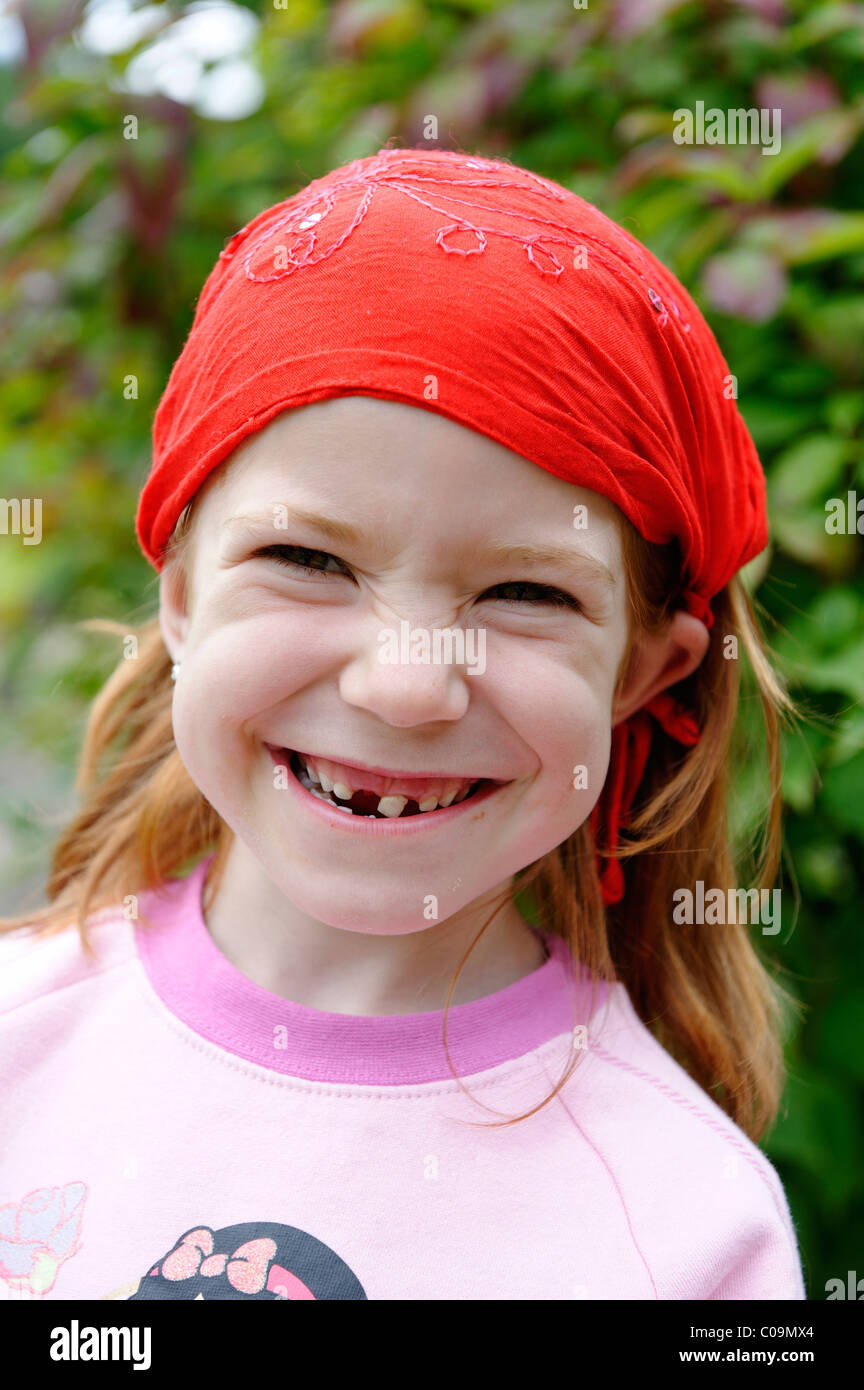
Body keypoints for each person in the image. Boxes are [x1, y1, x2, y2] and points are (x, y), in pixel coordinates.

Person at [0, 145, 806, 1300]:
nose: (405, 685)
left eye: (526, 594)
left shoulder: (683, 1226)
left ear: (642, 673)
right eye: (308, 558)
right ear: (179, 593)